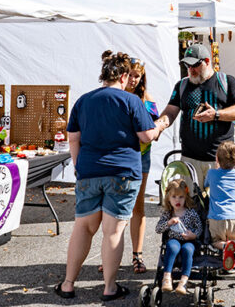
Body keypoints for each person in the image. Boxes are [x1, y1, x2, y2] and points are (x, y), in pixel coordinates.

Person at [56, 53, 166, 303]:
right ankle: (109, 287)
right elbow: (146, 136)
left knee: (83, 227)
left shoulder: (84, 100)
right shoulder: (131, 100)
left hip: (89, 171)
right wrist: (160, 125)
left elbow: (73, 138)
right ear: (124, 76)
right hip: (122, 173)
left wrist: (79, 166)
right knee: (112, 231)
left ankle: (68, 283)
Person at [155, 44, 235, 187]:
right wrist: (159, 125)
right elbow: (170, 112)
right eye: (187, 65)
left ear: (207, 61)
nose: (191, 69)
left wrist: (216, 114)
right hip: (190, 159)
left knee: (218, 200)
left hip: (220, 160)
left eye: (195, 65)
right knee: (191, 200)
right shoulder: (182, 85)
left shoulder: (226, 81)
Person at [124, 58, 159, 275]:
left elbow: (155, 128)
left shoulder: (147, 99)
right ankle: (111, 255)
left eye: (137, 76)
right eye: (130, 75)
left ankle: (137, 255)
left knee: (138, 205)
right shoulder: (116, 95)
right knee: (115, 208)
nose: (133, 80)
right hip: (119, 156)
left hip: (141, 156)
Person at [205, 141, 235, 271]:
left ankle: (225, 246)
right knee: (234, 237)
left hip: (216, 217)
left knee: (214, 242)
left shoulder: (211, 173)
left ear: (217, 159)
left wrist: (216, 167)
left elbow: (205, 185)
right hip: (234, 217)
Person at [154, 178, 202, 295]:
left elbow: (199, 227)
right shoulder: (168, 213)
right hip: (174, 239)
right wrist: (168, 223)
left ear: (186, 198)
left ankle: (183, 281)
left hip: (189, 240)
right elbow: (158, 229)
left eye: (181, 197)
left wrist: (193, 235)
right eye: (174, 197)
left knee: (187, 249)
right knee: (172, 247)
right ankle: (167, 277)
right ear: (168, 198)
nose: (177, 200)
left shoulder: (190, 212)